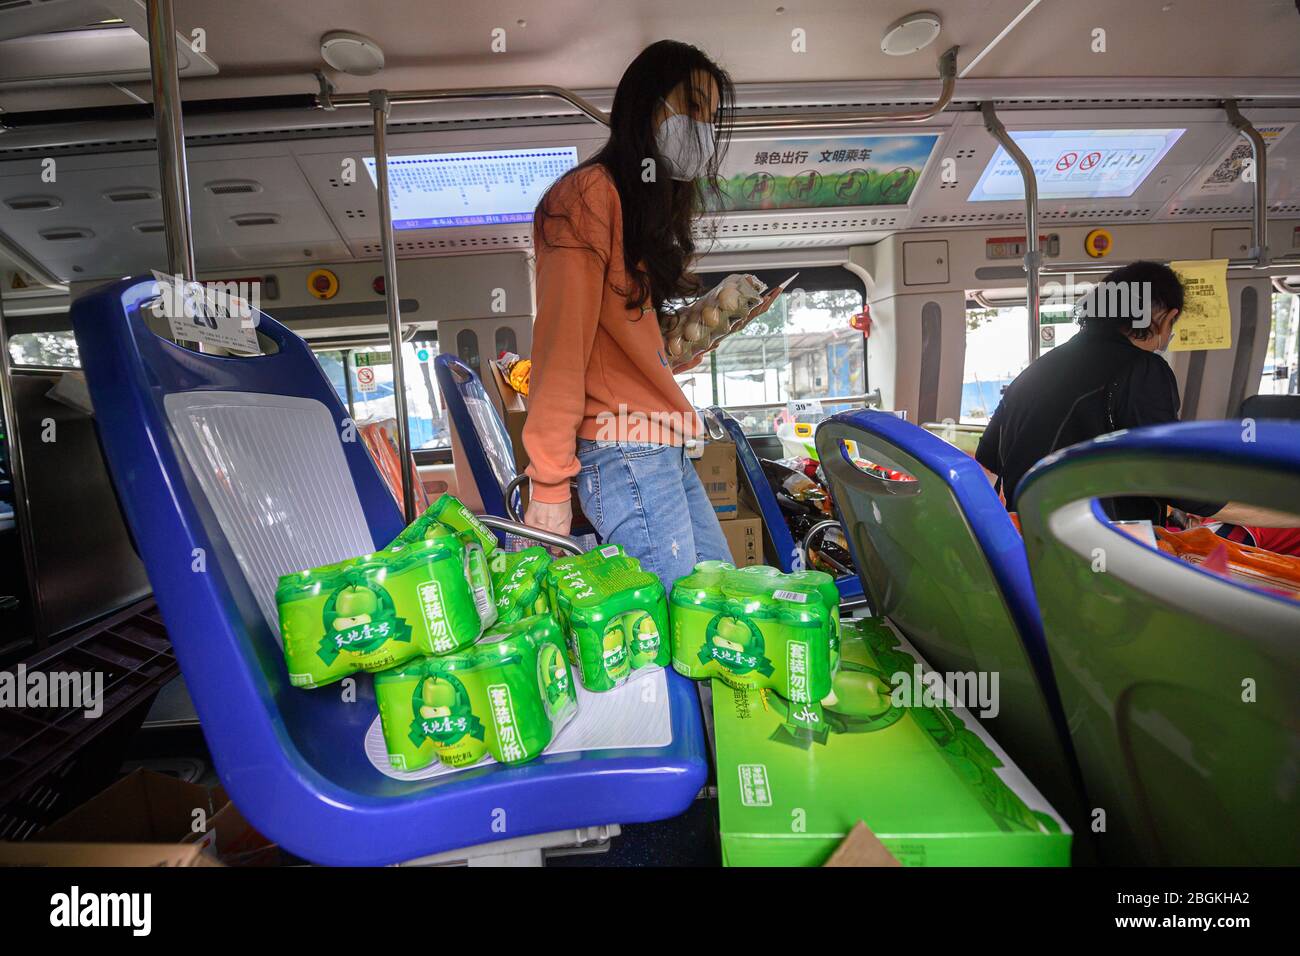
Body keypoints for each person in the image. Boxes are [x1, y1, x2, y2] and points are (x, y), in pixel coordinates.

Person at [521, 40, 777, 585]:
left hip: (656, 441)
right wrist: (548, 485)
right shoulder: (585, 198)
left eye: (711, 116)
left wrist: (699, 327)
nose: (702, 128)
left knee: (716, 602)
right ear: (648, 105)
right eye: (692, 106)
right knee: (674, 627)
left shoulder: (632, 209)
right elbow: (561, 349)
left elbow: (619, 347)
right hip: (624, 446)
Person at [976, 261, 1297, 528]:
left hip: (1032, 540)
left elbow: (990, 455)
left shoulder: (1041, 367)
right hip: (1105, 549)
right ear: (1166, 318)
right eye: (1173, 324)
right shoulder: (1143, 369)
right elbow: (1176, 482)